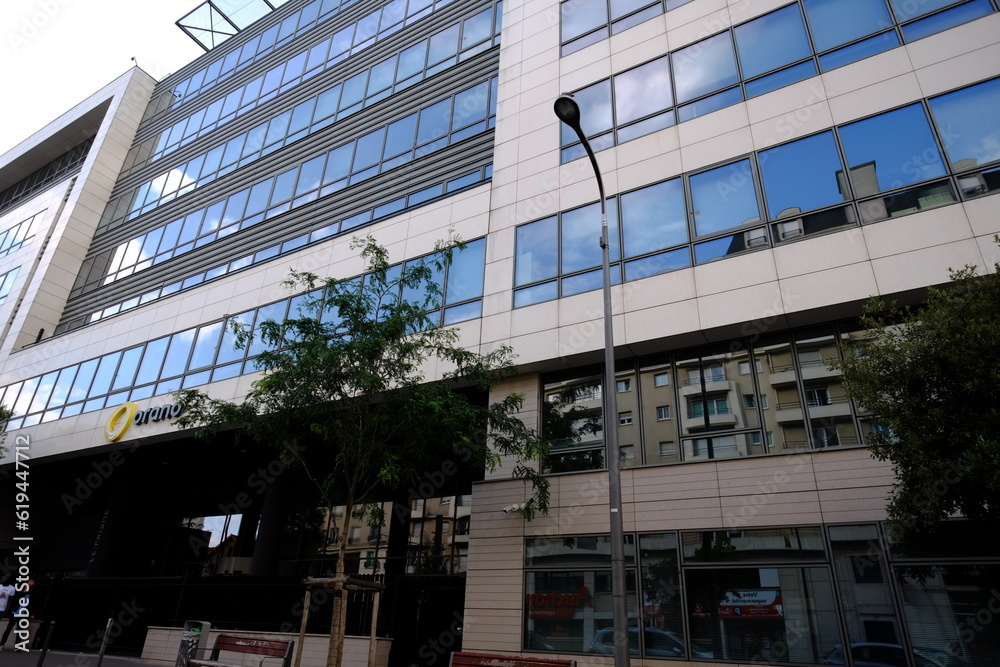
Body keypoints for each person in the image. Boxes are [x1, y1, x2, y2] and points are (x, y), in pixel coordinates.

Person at [0, 579, 31, 650]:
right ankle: (2, 644)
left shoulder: (30, 595)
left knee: (20, 630)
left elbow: (31, 605)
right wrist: (23, 593)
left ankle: (18, 646)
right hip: (15, 613)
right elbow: (13, 599)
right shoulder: (18, 592)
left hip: (23, 614)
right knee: (8, 629)